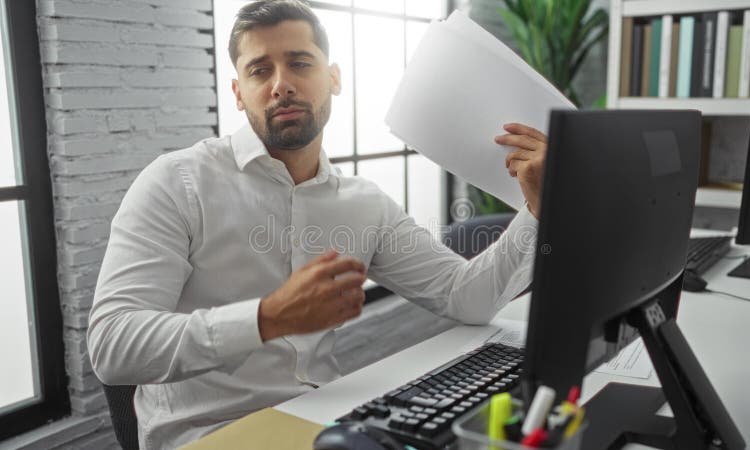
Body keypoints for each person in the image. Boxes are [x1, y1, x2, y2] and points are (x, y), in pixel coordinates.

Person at [86, 1, 548, 448]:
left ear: (333, 78)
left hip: (324, 419)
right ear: (238, 93)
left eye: (300, 63)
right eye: (259, 70)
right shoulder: (177, 183)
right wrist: (267, 318)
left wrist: (535, 209)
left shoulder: (363, 203)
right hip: (209, 435)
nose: (281, 84)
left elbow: (464, 297)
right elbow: (112, 346)